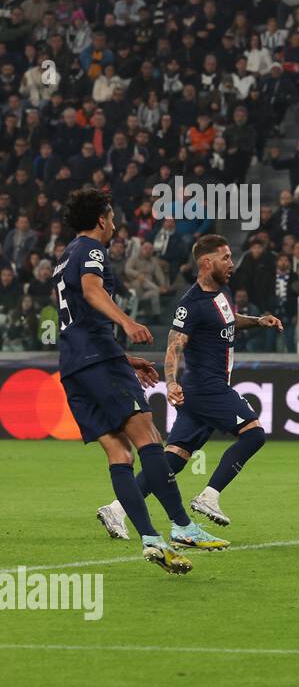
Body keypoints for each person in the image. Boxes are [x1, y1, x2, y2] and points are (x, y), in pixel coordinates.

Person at [96, 235, 283, 545]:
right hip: (206, 388)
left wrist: (258, 320)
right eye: (225, 258)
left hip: (204, 391)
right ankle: (210, 495)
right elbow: (174, 346)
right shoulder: (190, 304)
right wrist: (171, 382)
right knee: (253, 434)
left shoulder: (221, 294)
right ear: (206, 263)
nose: (231, 263)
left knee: (174, 459)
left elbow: (227, 320)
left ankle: (116, 509)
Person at [54, 188, 194, 574]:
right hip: (98, 360)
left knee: (119, 455)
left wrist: (125, 358)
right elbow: (92, 290)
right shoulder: (91, 251)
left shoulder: (65, 255)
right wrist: (127, 322)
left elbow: (81, 317)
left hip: (75, 367)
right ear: (101, 219)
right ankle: (183, 525)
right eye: (112, 216)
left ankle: (150, 538)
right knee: (149, 439)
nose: (114, 223)